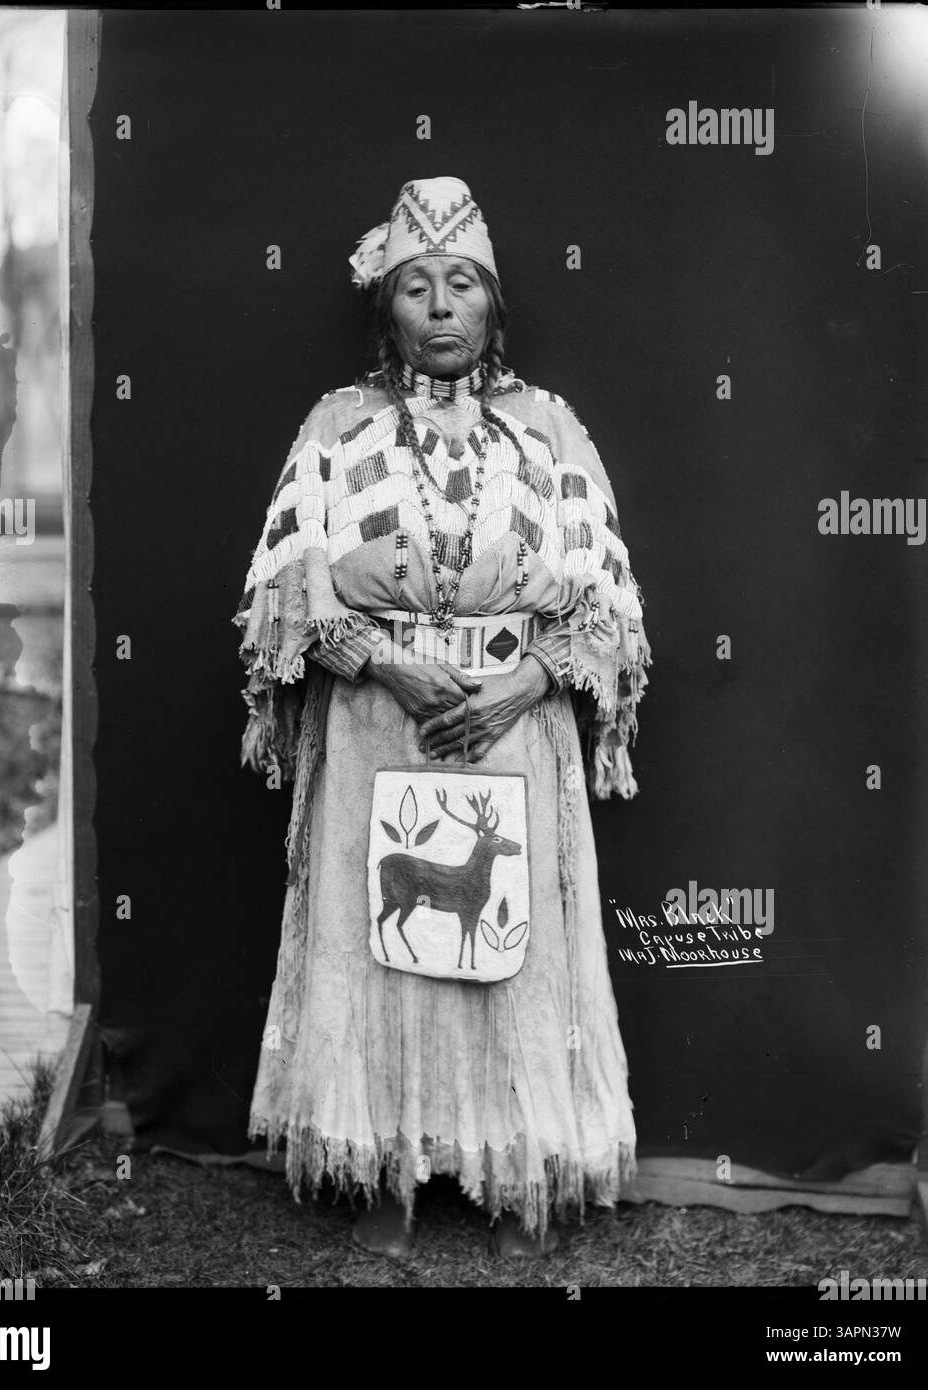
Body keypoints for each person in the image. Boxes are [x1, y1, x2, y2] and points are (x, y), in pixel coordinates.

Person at [233, 176, 650, 1258]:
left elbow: (606, 599)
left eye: (461, 284)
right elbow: (285, 588)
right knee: (389, 948)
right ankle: (388, 1177)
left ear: (493, 305)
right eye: (415, 287)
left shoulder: (546, 430)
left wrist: (525, 683)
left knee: (512, 954)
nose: (439, 305)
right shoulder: (340, 424)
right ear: (388, 309)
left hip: (514, 725)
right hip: (381, 724)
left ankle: (518, 1177)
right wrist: (386, 666)